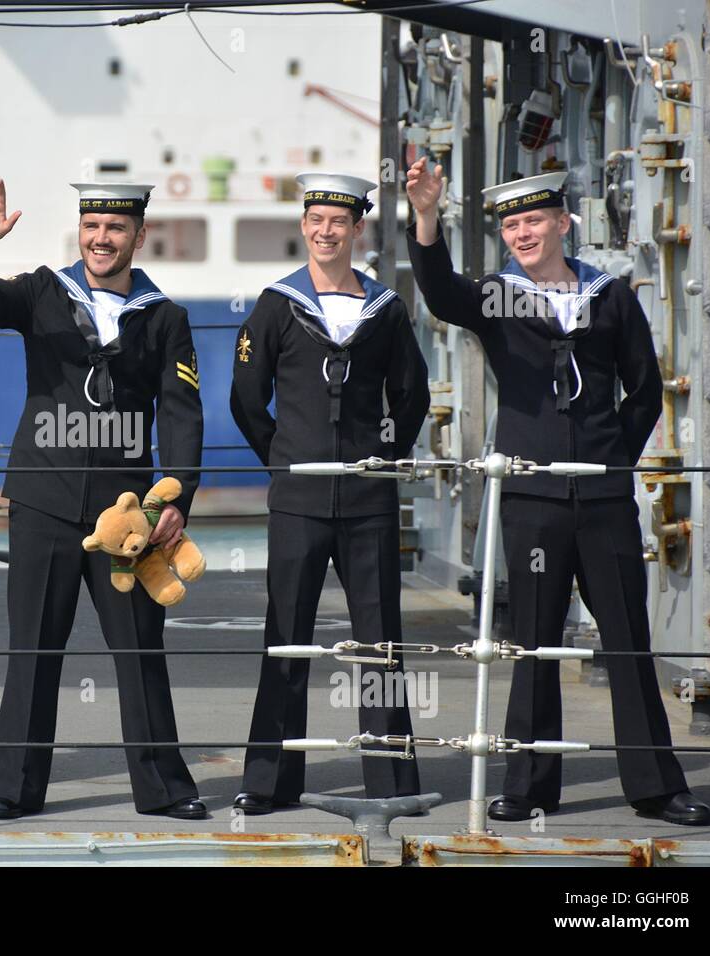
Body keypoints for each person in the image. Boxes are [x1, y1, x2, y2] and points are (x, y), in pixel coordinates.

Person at [405, 158, 710, 826]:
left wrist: (609, 461)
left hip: (602, 502)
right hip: (531, 501)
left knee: (628, 640)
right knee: (534, 642)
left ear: (563, 222)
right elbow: (439, 293)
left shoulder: (611, 296)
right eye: (512, 224)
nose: (522, 233)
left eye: (534, 220)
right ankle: (528, 785)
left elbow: (642, 388)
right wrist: (426, 216)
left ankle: (658, 786)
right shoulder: (496, 297)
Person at [0, 177, 207, 820]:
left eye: (116, 229)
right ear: (81, 230)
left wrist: (177, 496)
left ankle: (164, 788)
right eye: (92, 227)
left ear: (138, 236)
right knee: (33, 648)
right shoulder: (41, 292)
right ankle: (13, 787)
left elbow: (181, 412)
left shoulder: (165, 317)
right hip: (42, 502)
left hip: (129, 515)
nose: (101, 239)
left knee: (141, 649)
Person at [230, 173, 430, 814]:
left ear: (357, 229)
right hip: (299, 501)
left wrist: (386, 459)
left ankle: (392, 782)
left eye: (337, 221)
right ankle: (268, 781)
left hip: (369, 501)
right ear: (304, 223)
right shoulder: (275, 304)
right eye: (315, 218)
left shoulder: (386, 309)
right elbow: (245, 399)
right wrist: (284, 463)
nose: (325, 230)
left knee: (381, 641)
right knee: (285, 638)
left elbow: (413, 393)